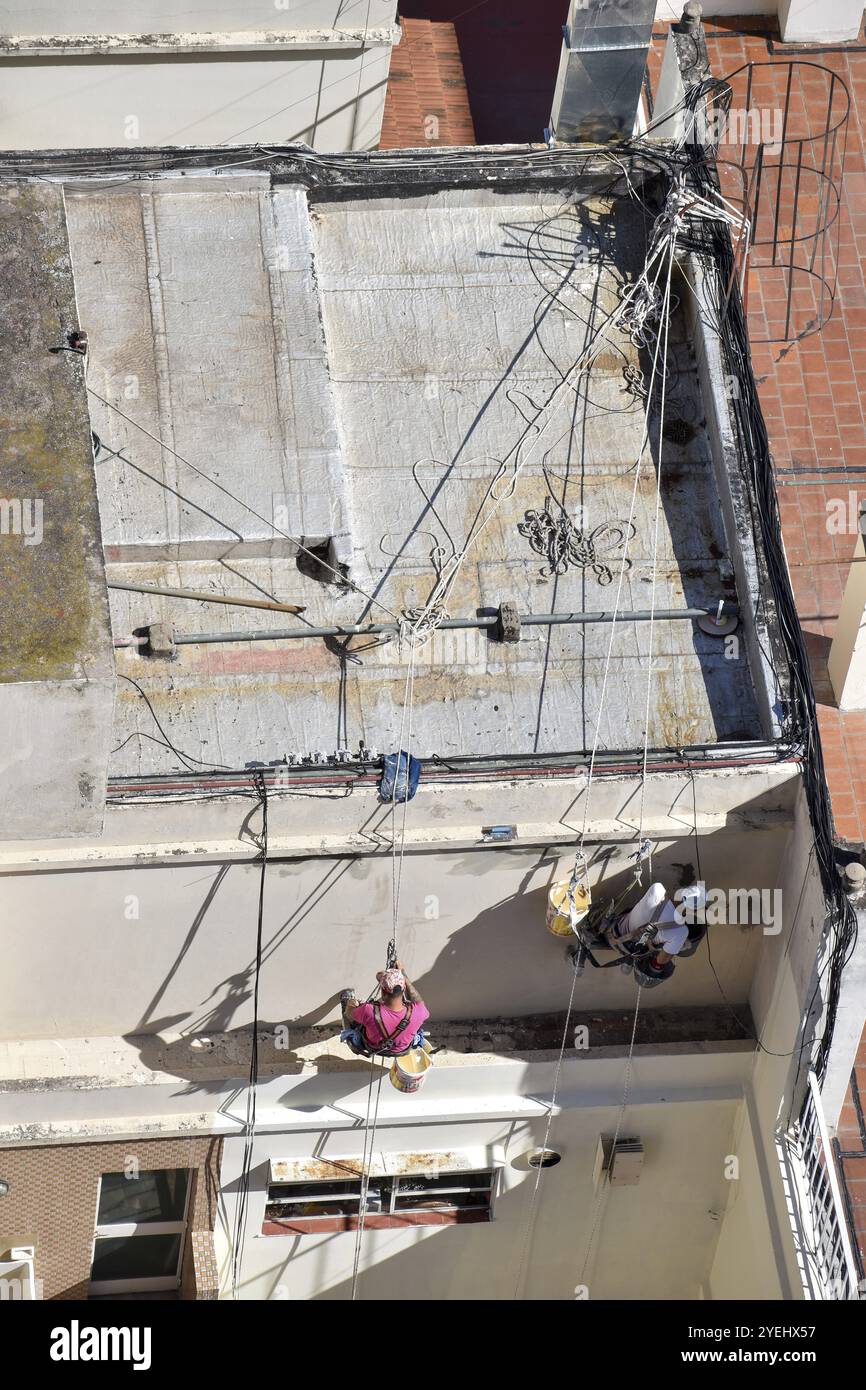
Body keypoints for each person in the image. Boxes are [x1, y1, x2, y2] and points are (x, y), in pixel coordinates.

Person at [604, 881, 706, 969]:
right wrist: (676, 946)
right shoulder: (681, 932)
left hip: (613, 929)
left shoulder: (657, 888)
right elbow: (660, 962)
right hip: (626, 948)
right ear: (693, 910)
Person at [340, 961, 429, 1057]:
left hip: (372, 1046)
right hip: (401, 1050)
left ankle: (346, 998)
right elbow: (417, 999)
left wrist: (351, 1005)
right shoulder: (419, 1012)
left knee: (349, 1016)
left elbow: (349, 1014)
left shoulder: (368, 1010)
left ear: (382, 992)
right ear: (403, 989)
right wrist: (402, 974)